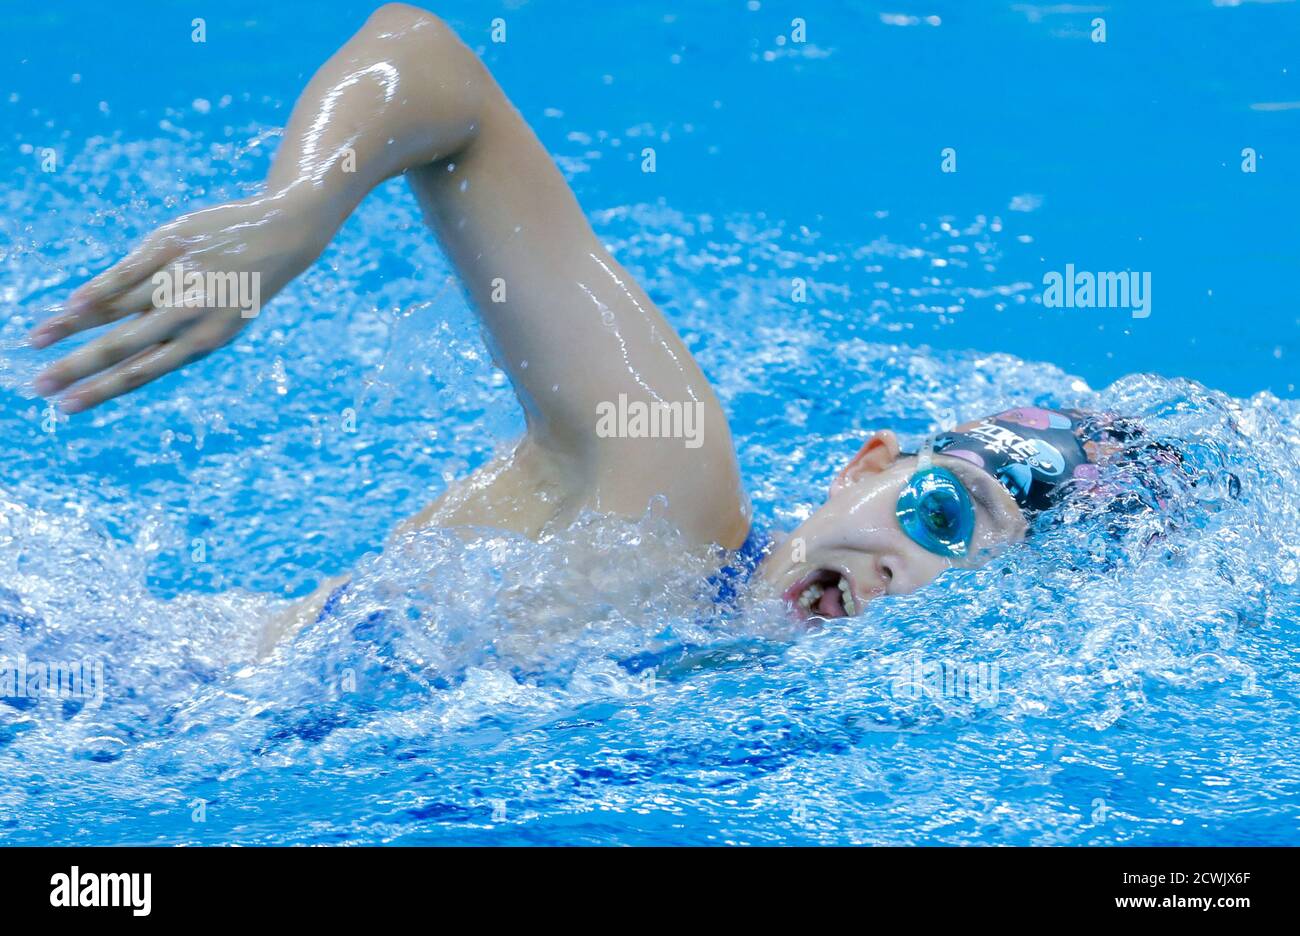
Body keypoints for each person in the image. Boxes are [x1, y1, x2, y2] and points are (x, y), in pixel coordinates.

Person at [28, 4, 1150, 646]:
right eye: (941, 510)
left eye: (986, 586)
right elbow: (428, 65)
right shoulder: (660, 482)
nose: (920, 573)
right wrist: (300, 203)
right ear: (863, 466)